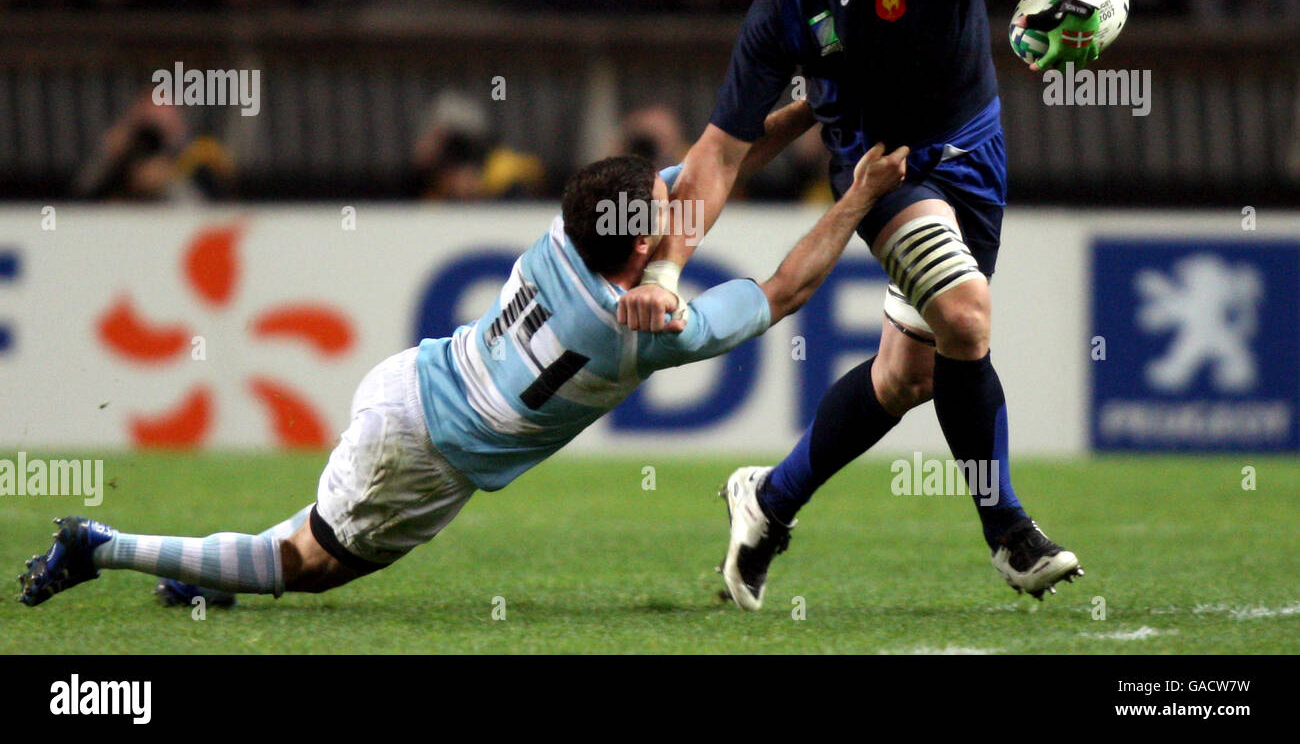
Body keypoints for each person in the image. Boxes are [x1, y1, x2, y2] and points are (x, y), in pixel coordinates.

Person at [18, 111, 909, 608]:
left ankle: (198, 575)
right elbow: (786, 288)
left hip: (412, 383)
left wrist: (813, 107)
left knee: (322, 533)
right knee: (305, 566)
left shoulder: (569, 234)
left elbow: (718, 158)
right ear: (640, 246)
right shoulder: (635, 333)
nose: (676, 200)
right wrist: (858, 196)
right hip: (426, 451)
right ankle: (104, 547)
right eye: (660, 209)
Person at [617, 0, 1113, 608]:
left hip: (977, 156)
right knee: (964, 315)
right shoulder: (783, 2)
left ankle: (768, 501)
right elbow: (718, 155)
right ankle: (1010, 533)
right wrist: (663, 270)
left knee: (905, 377)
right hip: (880, 171)